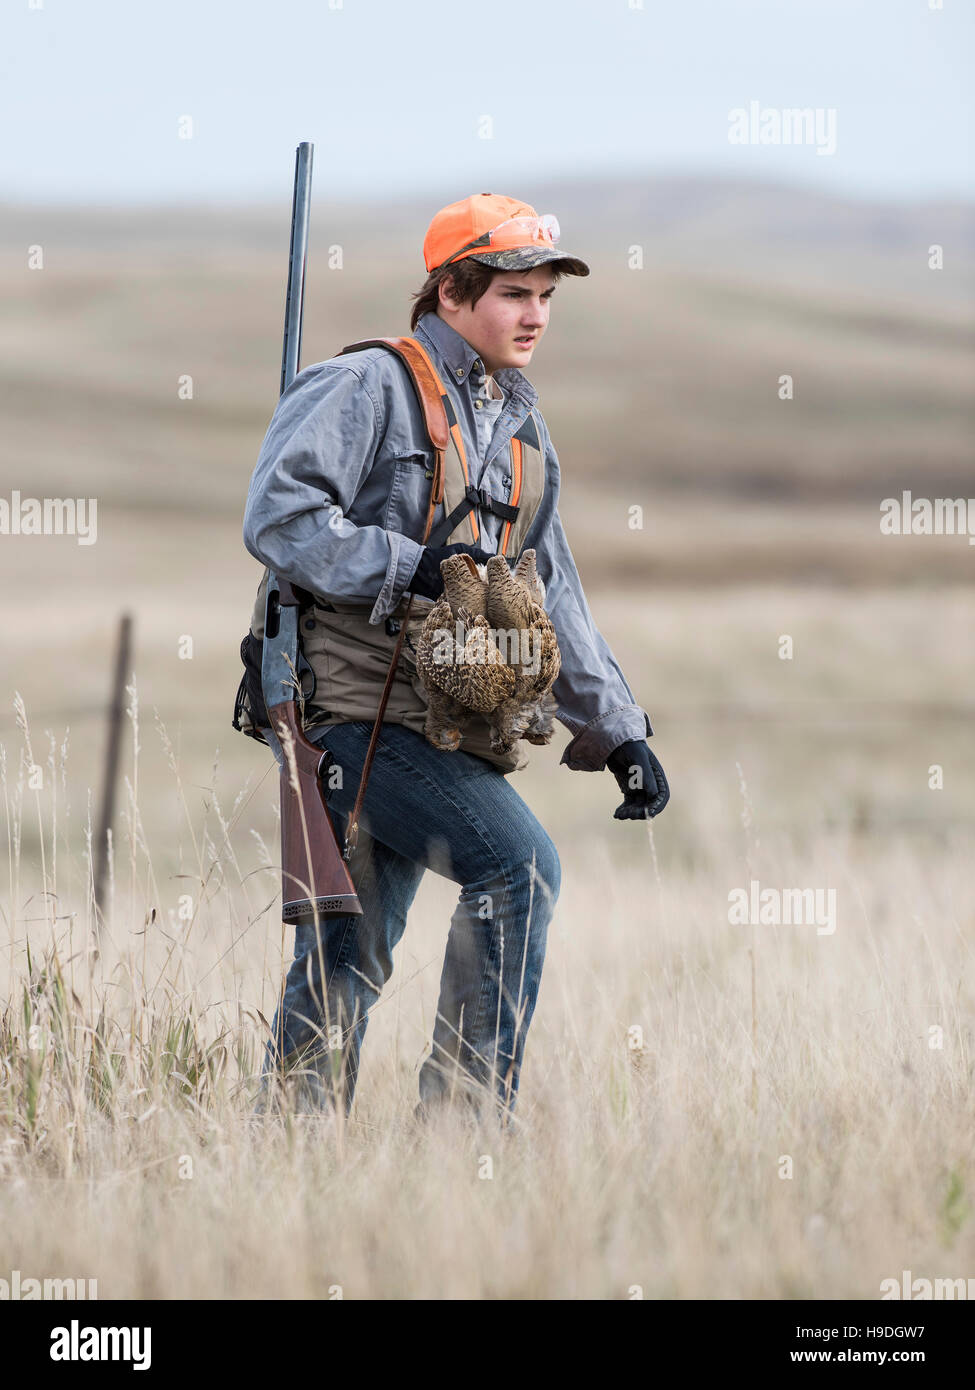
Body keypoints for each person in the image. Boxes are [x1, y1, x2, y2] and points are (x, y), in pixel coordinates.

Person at [242, 193, 669, 1127]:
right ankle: (463, 1126)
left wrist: (616, 729)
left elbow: (547, 587)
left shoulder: (520, 429)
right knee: (521, 869)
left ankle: (287, 1151)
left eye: (545, 298)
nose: (534, 317)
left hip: (443, 722)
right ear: (450, 291)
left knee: (348, 957)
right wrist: (411, 565)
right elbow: (278, 521)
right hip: (350, 714)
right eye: (514, 293)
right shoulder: (361, 388)